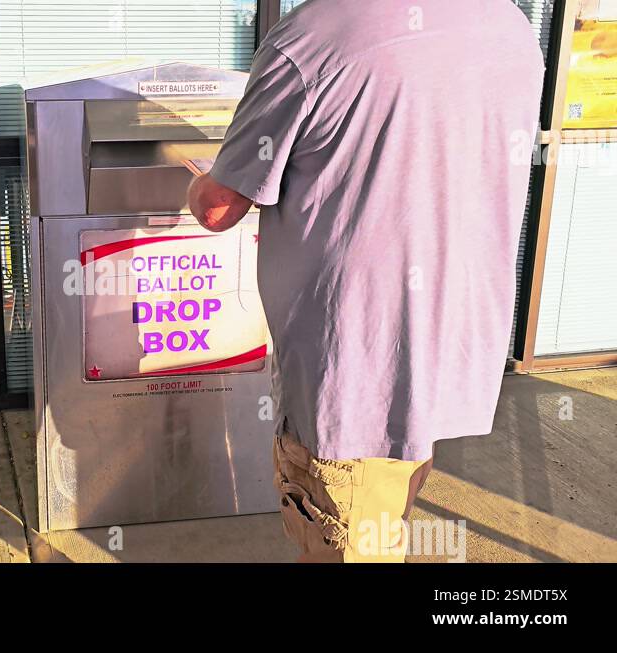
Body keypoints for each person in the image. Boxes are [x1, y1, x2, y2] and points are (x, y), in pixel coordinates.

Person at [188, 0, 544, 562]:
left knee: (349, 540)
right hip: (441, 344)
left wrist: (201, 183)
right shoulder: (509, 25)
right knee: (388, 511)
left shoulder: (311, 35)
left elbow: (218, 209)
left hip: (351, 366)